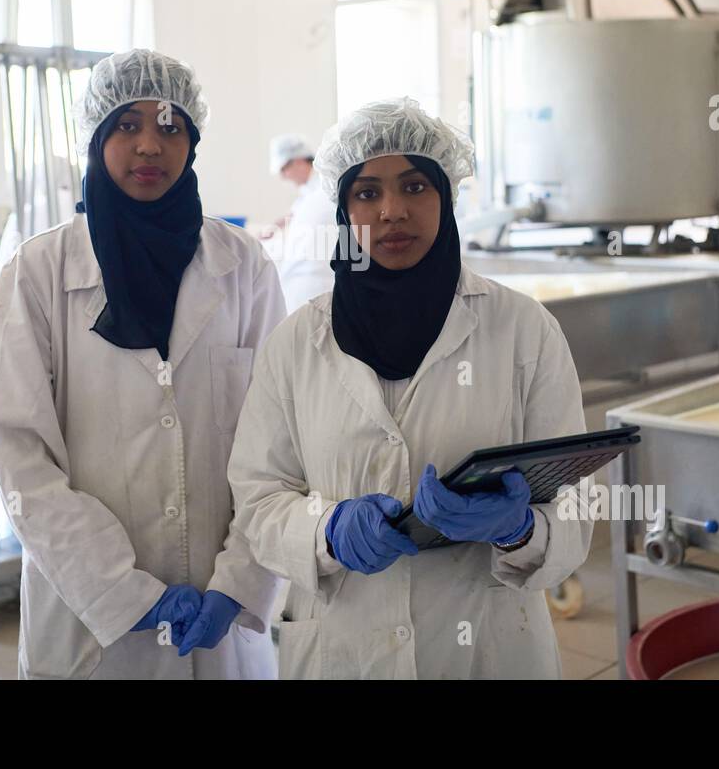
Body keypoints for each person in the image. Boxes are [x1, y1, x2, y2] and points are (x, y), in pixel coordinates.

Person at [227, 97, 590, 679]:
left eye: (416, 186)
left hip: (489, 649)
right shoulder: (296, 343)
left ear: (446, 199)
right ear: (344, 209)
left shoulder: (523, 330)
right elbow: (258, 498)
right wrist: (326, 531)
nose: (393, 210)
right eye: (367, 192)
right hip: (344, 649)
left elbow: (574, 503)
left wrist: (522, 530)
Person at [0, 48, 285, 679]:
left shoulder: (244, 267)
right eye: (127, 125)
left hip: (217, 616)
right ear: (95, 136)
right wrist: (120, 590)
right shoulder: (38, 274)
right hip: (92, 628)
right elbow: (21, 456)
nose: (150, 145)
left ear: (192, 140)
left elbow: (279, 443)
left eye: (171, 127)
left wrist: (240, 581)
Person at [262, 134, 336, 312]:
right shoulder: (310, 190)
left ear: (299, 161)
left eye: (284, 169)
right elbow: (297, 211)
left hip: (318, 280)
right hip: (307, 284)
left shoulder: (326, 187)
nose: (284, 177)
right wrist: (276, 226)